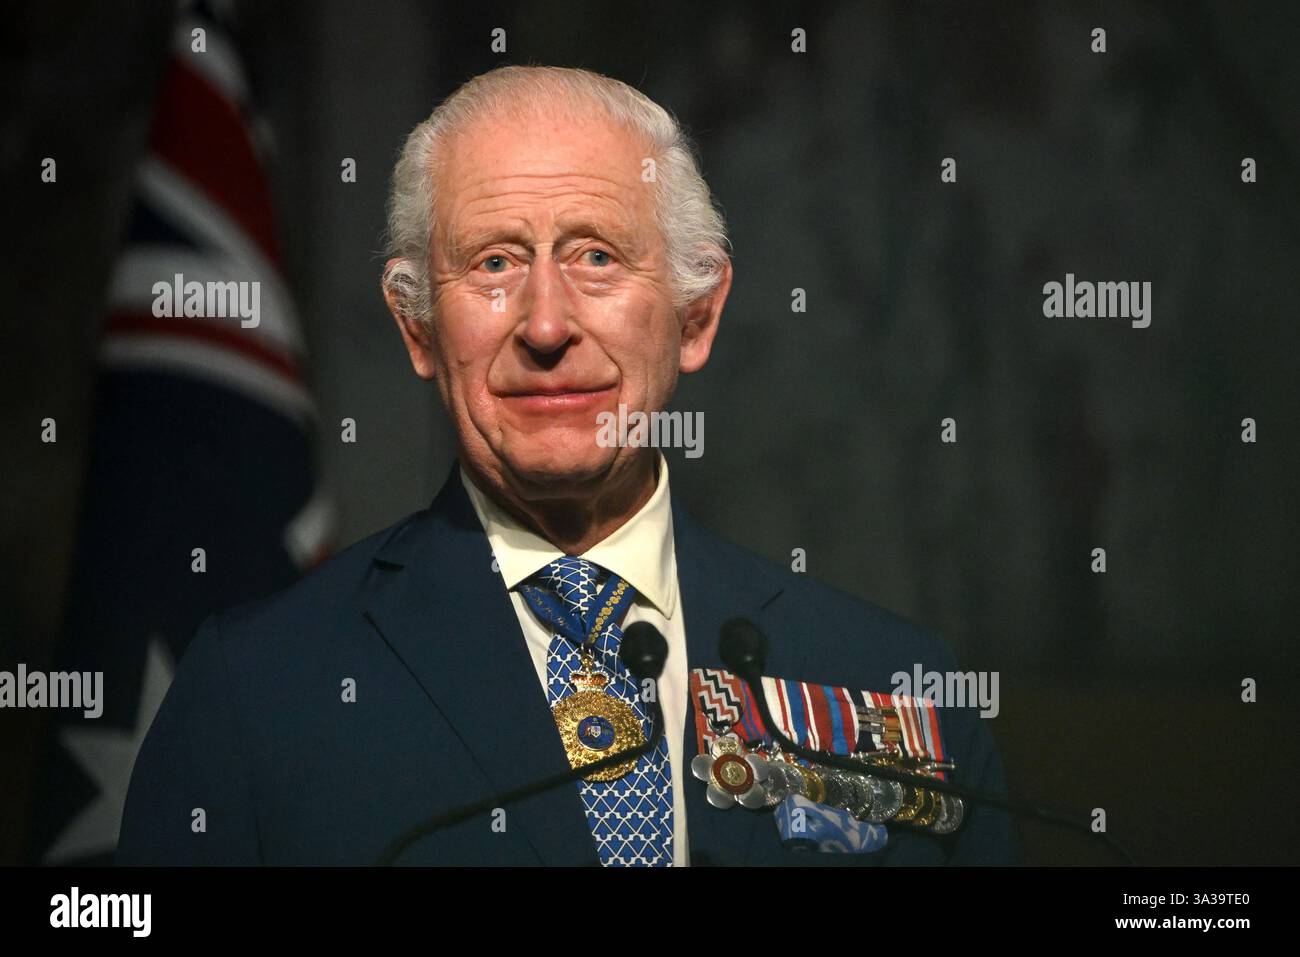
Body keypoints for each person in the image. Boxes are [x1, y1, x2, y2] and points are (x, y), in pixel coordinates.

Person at [117, 65, 1017, 866]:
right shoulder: (258, 690)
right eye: (495, 261)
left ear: (695, 316)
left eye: (596, 256)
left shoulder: (888, 680)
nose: (546, 325)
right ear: (418, 329)